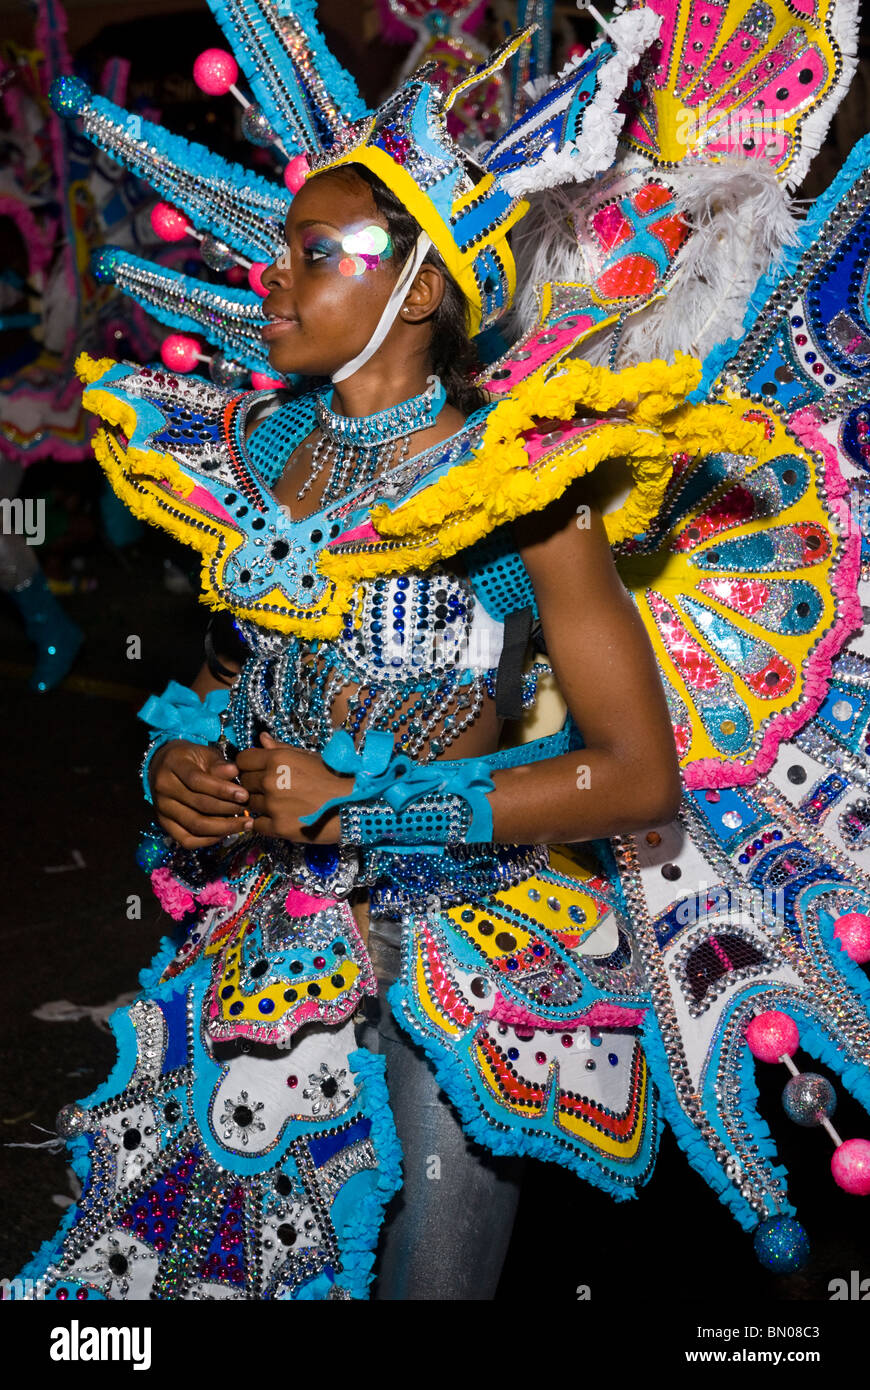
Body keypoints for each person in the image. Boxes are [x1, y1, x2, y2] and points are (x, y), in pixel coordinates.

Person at [13, 0, 870, 1301]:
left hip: (464, 931)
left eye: (319, 254)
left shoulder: (530, 486)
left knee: (436, 1276)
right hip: (277, 932)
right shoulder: (259, 460)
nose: (278, 281)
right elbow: (221, 672)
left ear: (417, 289)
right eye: (286, 253)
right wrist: (182, 771)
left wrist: (371, 803)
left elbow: (633, 776)